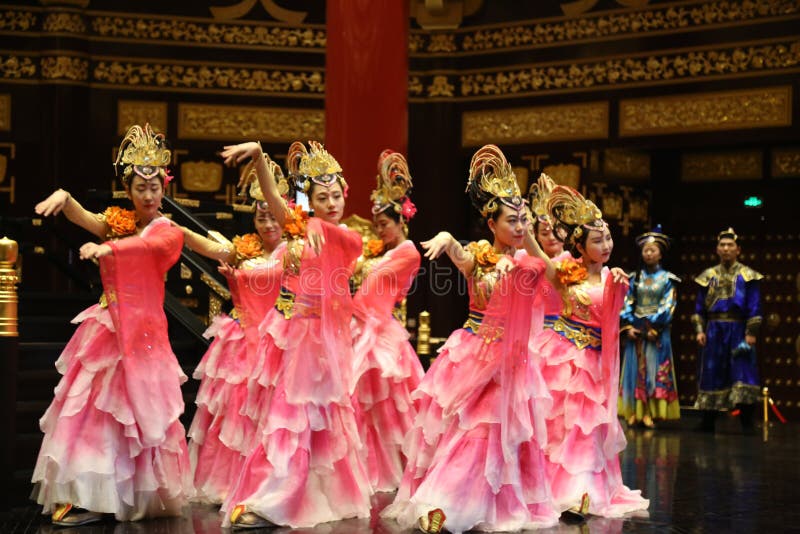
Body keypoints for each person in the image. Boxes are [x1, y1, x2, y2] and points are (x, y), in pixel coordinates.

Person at [382, 145, 559, 534]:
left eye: (524, 220)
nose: (519, 227)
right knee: (463, 432)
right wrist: (446, 237)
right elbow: (461, 258)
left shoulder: (527, 263)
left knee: (491, 434)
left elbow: (551, 276)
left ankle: (467, 504)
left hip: (510, 362)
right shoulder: (479, 257)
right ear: (490, 223)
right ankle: (443, 501)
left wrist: (529, 238)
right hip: (472, 353)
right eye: (512, 221)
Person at [31, 124, 191, 526]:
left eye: (155, 187)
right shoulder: (117, 221)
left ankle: (129, 491)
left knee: (138, 413)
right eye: (141, 187)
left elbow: (150, 249)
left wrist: (110, 249)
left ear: (164, 187)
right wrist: (65, 198)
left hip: (145, 333)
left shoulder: (167, 231)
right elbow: (83, 218)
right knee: (94, 410)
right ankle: (87, 493)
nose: (149, 195)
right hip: (108, 327)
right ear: (127, 188)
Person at [219, 140, 370, 529]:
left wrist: (316, 223)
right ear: (310, 199)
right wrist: (257, 156)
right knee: (289, 417)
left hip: (325, 343)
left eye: (337, 194)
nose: (333, 202)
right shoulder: (299, 231)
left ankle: (297, 496)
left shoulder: (349, 237)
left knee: (312, 419)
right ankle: (277, 497)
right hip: (297, 336)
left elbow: (334, 239)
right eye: (323, 197)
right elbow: (273, 197)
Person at [531, 185, 649, 518]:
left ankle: (581, 490)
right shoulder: (566, 274)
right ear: (579, 246)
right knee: (557, 427)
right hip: (561, 354)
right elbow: (541, 260)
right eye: (597, 241)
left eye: (608, 238)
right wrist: (528, 232)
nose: (606, 245)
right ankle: (548, 487)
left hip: (593, 361)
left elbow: (612, 320)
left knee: (586, 431)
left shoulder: (614, 277)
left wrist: (619, 290)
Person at [184, 160, 287, 504]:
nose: (268, 224)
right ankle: (232, 483)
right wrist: (172, 229)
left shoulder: (295, 251)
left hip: (278, 343)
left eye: (273, 216)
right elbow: (207, 246)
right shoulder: (243, 250)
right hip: (241, 344)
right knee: (234, 416)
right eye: (261, 218)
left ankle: (271, 485)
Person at [350, 150, 423, 492]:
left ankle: (392, 468)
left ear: (401, 221)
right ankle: (362, 467)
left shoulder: (408, 252)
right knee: (364, 406)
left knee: (385, 407)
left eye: (384, 224)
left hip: (378, 328)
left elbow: (369, 291)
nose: (379, 230)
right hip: (362, 326)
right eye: (376, 225)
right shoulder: (381, 252)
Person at [691, 227, 762, 433]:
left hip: (738, 328)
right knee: (712, 372)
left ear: (738, 249)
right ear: (717, 249)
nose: (726, 249)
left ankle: (747, 422)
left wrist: (751, 332)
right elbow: (698, 309)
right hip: (714, 328)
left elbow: (755, 306)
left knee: (743, 372)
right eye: (722, 245)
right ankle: (708, 420)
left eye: (730, 245)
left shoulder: (748, 275)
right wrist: (699, 330)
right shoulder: (708, 276)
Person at [619, 225, 681, 428]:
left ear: (660, 254)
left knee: (654, 372)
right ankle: (635, 411)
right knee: (634, 371)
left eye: (652, 250)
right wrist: (629, 325)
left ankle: (652, 412)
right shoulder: (634, 278)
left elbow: (668, 306)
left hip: (656, 333)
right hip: (636, 332)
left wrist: (652, 326)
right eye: (645, 250)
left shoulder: (667, 279)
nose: (648, 253)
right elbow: (626, 303)